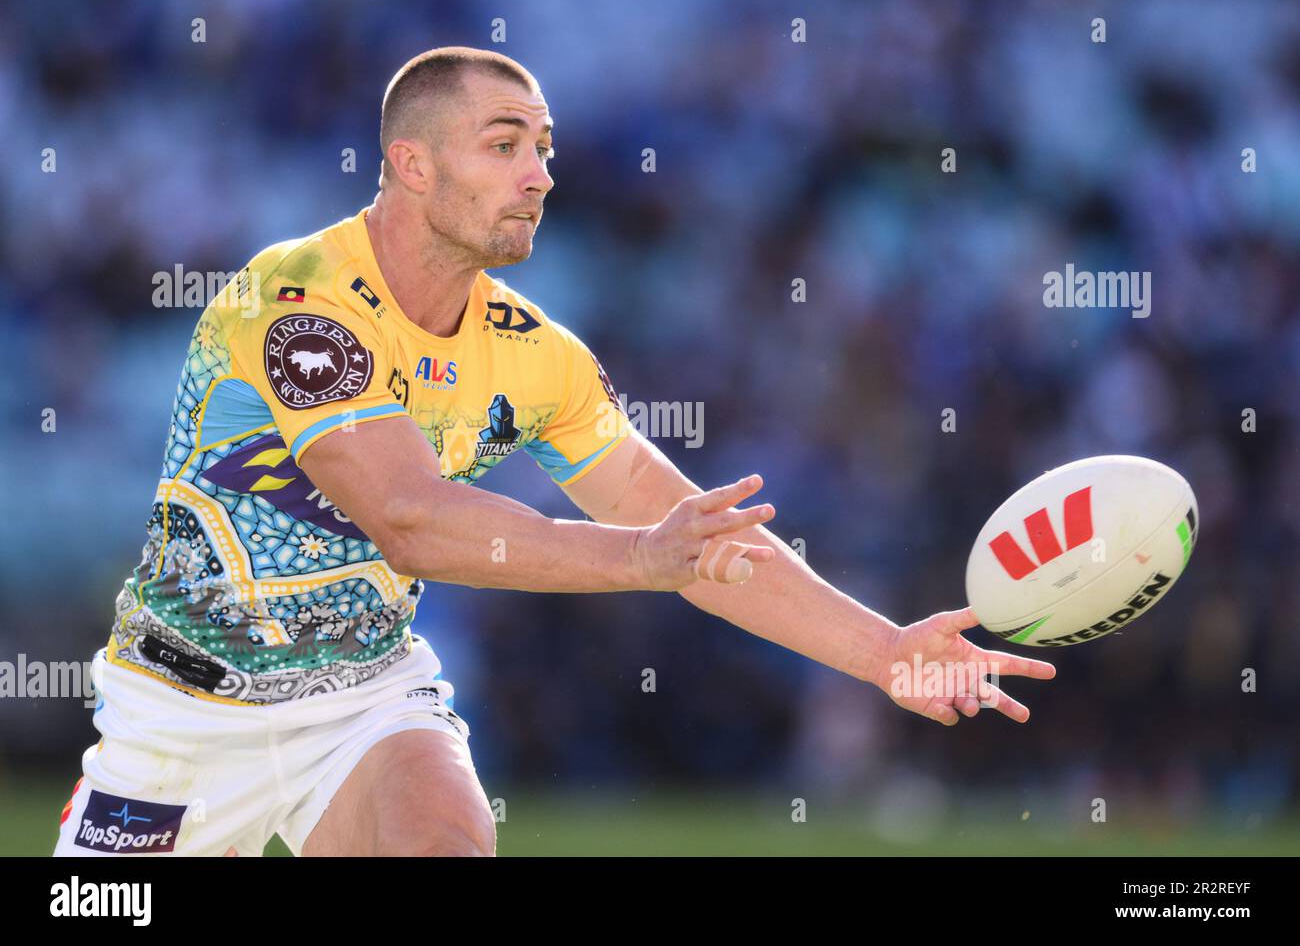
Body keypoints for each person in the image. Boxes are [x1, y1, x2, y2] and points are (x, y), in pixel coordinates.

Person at [54, 46, 1054, 858]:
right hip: (183, 705)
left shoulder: (538, 353)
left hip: (359, 697)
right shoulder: (300, 297)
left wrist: (882, 653)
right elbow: (411, 521)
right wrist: (639, 557)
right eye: (504, 145)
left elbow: (692, 535)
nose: (540, 174)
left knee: (444, 839)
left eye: (542, 147)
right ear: (414, 164)